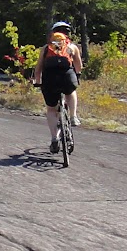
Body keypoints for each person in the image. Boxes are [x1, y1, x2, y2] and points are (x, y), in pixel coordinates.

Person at [31, 21, 83, 154]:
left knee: (51, 109)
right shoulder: (72, 47)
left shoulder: (46, 48)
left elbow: (38, 68)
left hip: (50, 79)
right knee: (71, 91)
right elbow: (78, 66)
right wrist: (76, 77)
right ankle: (73, 116)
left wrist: (37, 81)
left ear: (53, 33)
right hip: (67, 76)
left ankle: (54, 139)